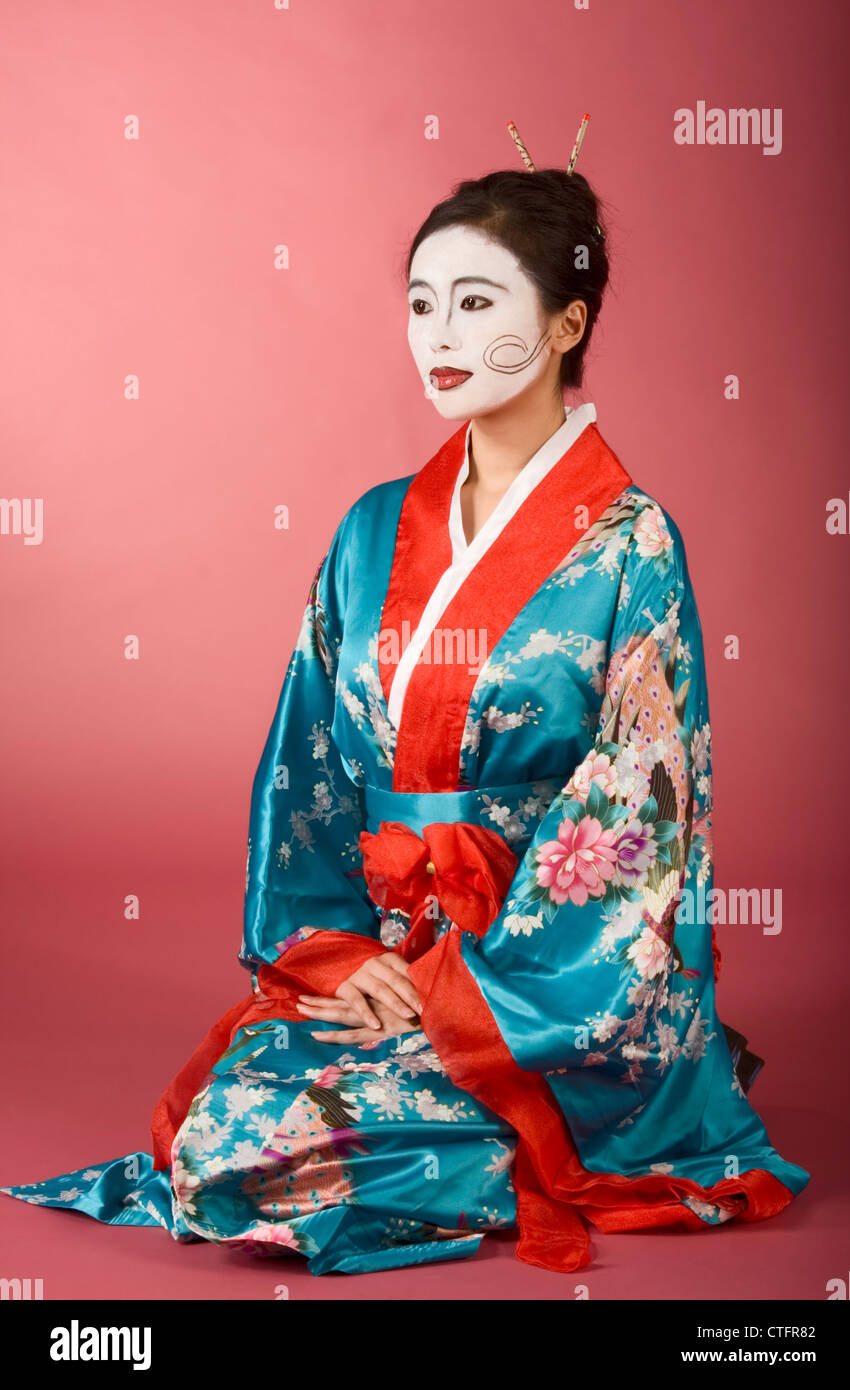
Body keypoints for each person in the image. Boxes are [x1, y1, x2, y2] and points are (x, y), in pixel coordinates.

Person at [2, 128, 809, 1274]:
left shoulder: (631, 546)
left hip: (540, 989)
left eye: (477, 304)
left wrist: (455, 992)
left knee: (291, 1153)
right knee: (220, 1127)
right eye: (423, 304)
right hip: (390, 951)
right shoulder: (371, 528)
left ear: (566, 323)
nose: (439, 336)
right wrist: (338, 953)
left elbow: (644, 814)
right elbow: (305, 770)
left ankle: (577, 1106)